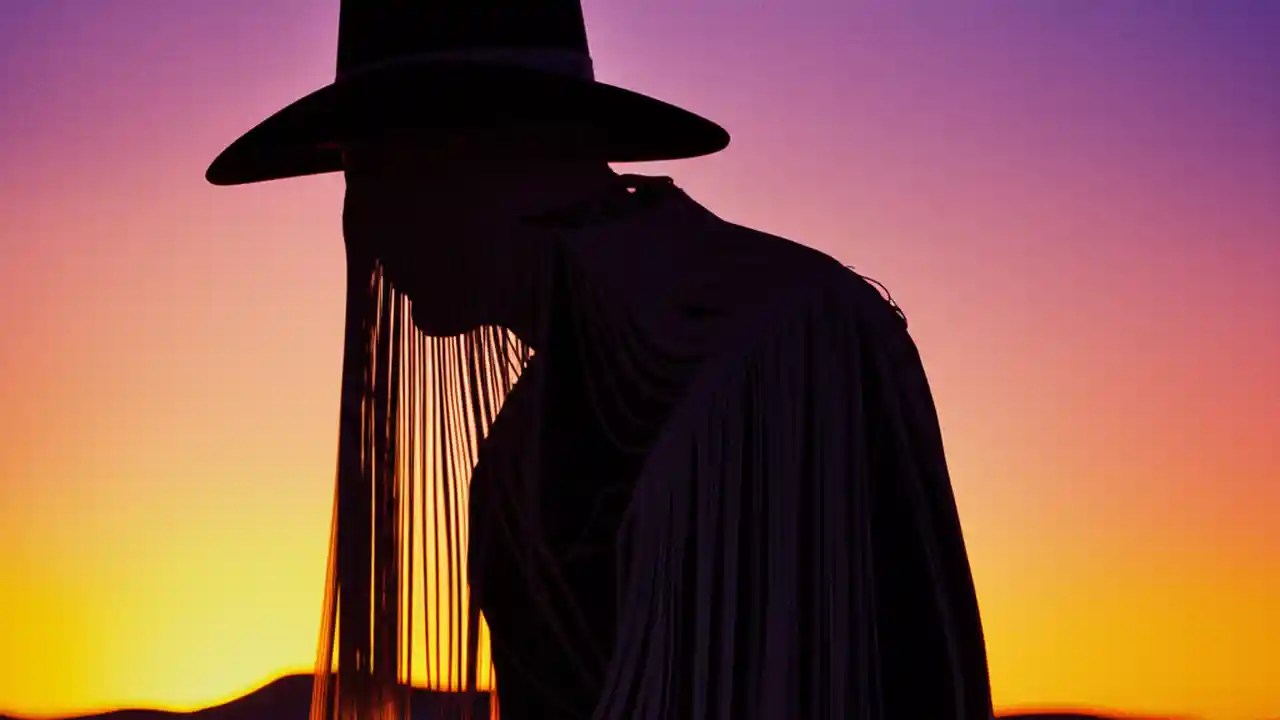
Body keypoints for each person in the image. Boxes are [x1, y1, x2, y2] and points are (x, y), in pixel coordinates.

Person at [207, 2, 994, 719]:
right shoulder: (527, 452)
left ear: (473, 152)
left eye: (374, 175)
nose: (367, 234)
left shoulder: (787, 350)